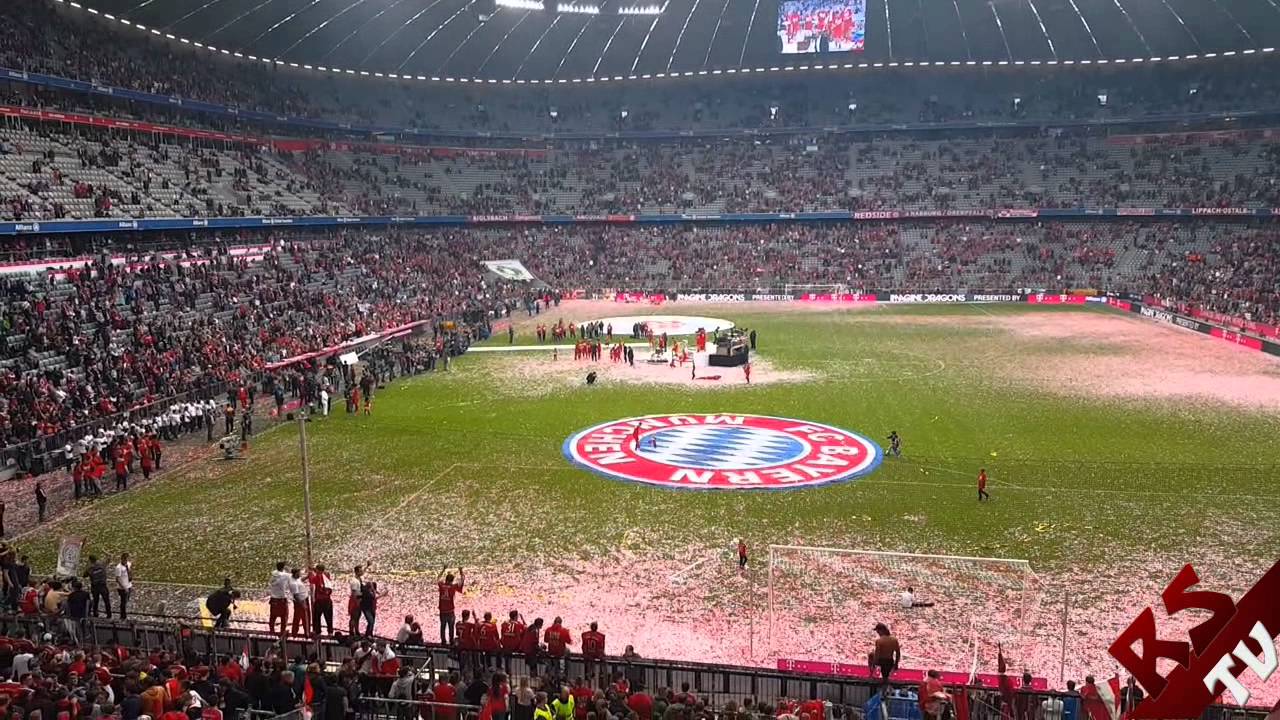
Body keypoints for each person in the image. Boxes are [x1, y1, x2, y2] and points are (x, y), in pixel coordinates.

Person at [869, 623, 900, 694]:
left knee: (871, 655)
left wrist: (873, 664)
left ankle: (871, 673)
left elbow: (877, 654)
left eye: (878, 631)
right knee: (885, 677)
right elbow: (898, 653)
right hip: (890, 661)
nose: (877, 633)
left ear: (881, 631)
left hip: (881, 661)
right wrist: (896, 664)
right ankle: (886, 687)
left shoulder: (879, 641)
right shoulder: (894, 639)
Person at [438, 566, 464, 643]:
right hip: (450, 611)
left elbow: (438, 578)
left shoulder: (441, 585)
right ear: (452, 581)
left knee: (442, 626)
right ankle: (451, 641)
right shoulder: (453, 587)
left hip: (442, 611)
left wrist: (443, 570)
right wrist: (461, 571)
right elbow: (462, 580)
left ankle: (443, 641)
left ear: (446, 579)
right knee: (451, 627)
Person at [544, 617, 572, 681]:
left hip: (551, 652)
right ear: (561, 623)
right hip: (560, 653)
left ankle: (548, 674)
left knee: (550, 663)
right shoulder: (564, 631)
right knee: (567, 652)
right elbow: (569, 642)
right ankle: (565, 674)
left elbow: (546, 640)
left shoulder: (548, 629)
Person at [309, 563, 334, 636]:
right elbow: (323, 572)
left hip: (319, 600)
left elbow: (312, 584)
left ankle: (317, 631)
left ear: (318, 570)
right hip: (327, 600)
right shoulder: (327, 575)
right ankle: (330, 632)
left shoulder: (315, 577)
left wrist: (310, 572)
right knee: (328, 616)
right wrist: (314, 569)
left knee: (317, 616)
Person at [268, 562, 292, 635]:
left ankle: (272, 630)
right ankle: (282, 631)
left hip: (273, 599)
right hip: (281, 599)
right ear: (283, 568)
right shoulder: (285, 575)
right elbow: (294, 577)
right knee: (284, 616)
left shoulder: (273, 574)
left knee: (273, 616)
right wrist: (288, 569)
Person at [290, 568, 311, 638]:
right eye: (299, 573)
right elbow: (296, 596)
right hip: (300, 601)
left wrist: (307, 577)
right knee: (303, 617)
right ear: (296, 574)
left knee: (299, 616)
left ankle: (295, 632)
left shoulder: (297, 579)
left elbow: (301, 579)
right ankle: (306, 633)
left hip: (304, 599)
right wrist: (302, 605)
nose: (300, 574)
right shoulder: (293, 583)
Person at [115, 552, 133, 619]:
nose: (126, 561)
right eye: (125, 560)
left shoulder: (128, 564)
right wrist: (124, 587)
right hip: (122, 588)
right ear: (122, 559)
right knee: (123, 602)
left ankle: (123, 615)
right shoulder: (118, 568)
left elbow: (130, 569)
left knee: (126, 600)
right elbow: (117, 579)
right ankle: (123, 616)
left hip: (128, 585)